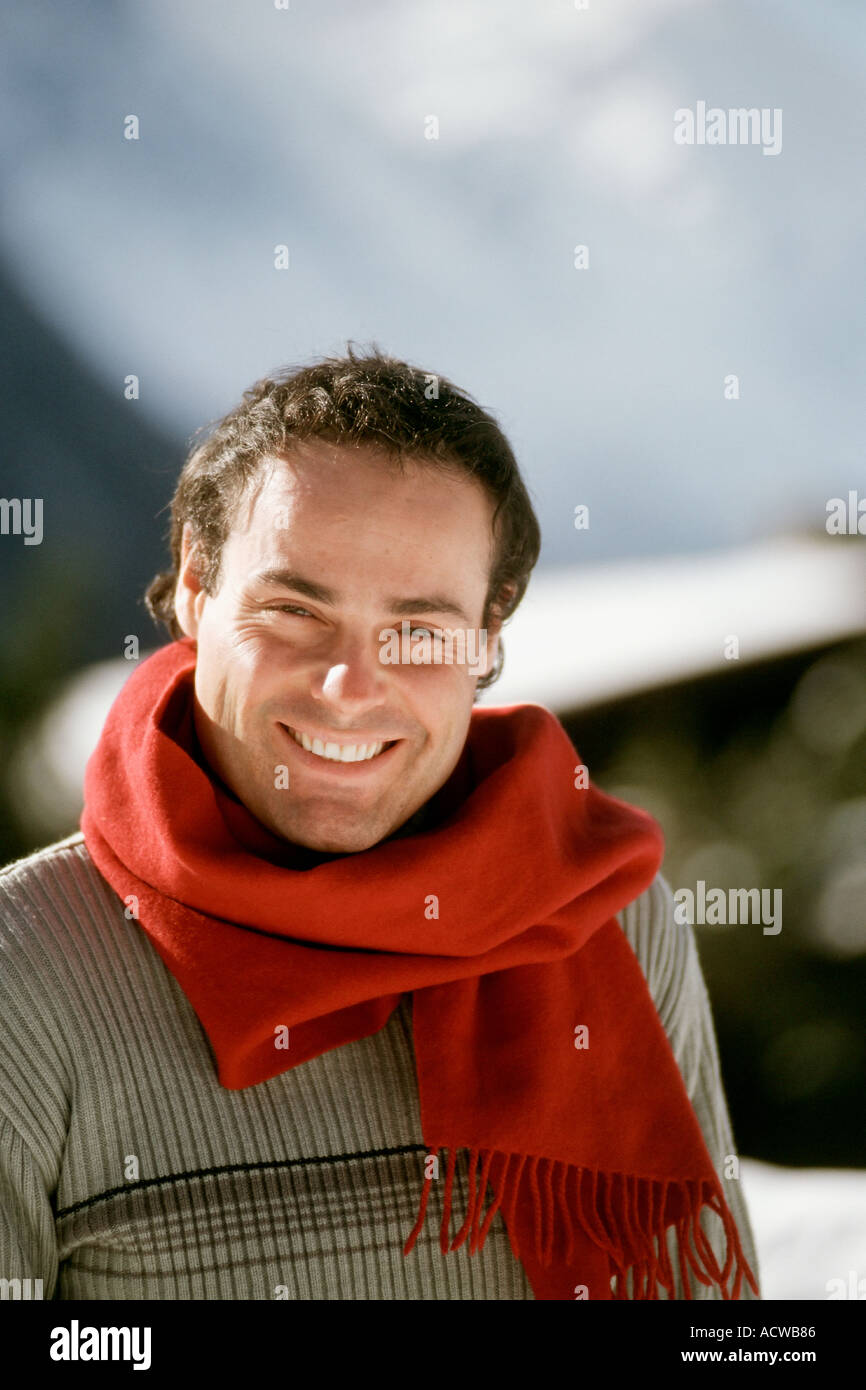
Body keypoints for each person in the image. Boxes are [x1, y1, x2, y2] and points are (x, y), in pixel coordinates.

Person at [0, 346, 760, 1301]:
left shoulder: (606, 912)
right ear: (196, 590)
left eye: (422, 630)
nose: (350, 688)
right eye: (292, 609)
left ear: (490, 635)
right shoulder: (21, 976)